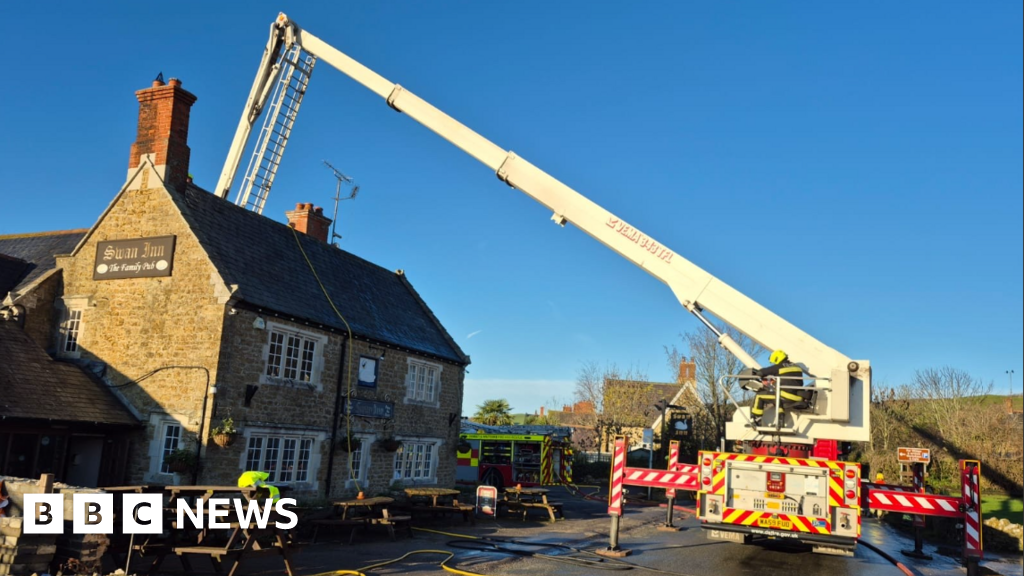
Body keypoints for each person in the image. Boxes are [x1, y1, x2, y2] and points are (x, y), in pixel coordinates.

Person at [750, 349, 811, 426]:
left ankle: (756, 420)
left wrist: (756, 373)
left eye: (774, 361)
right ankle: (780, 419)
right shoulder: (797, 368)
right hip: (797, 397)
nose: (775, 363)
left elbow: (762, 372)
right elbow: (791, 380)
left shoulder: (779, 367)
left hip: (785, 396)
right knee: (777, 395)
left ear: (777, 358)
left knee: (759, 396)